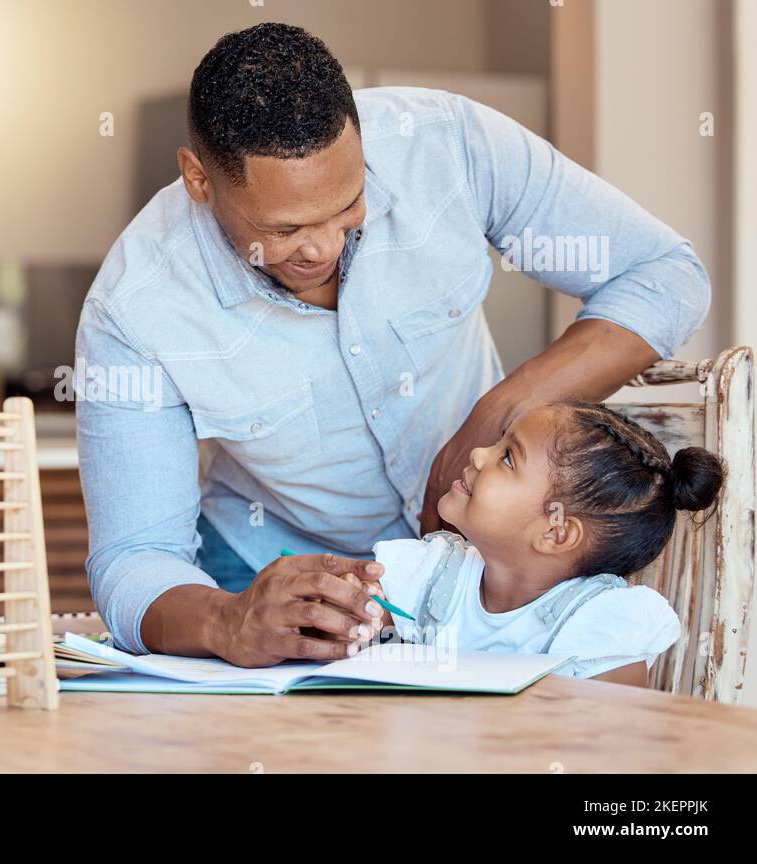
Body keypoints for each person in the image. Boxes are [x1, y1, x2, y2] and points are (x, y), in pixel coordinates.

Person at [75, 24, 711, 666]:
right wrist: (226, 619)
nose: (322, 249)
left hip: (485, 576)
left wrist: (500, 413)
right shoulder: (134, 307)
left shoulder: (450, 146)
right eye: (285, 229)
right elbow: (133, 557)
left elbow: (665, 275)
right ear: (198, 179)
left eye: (348, 208)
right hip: (262, 569)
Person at [372, 401, 722, 686]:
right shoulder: (433, 571)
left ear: (556, 532)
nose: (479, 454)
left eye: (508, 457)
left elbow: (614, 745)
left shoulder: (597, 628)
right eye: (499, 443)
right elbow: (359, 639)